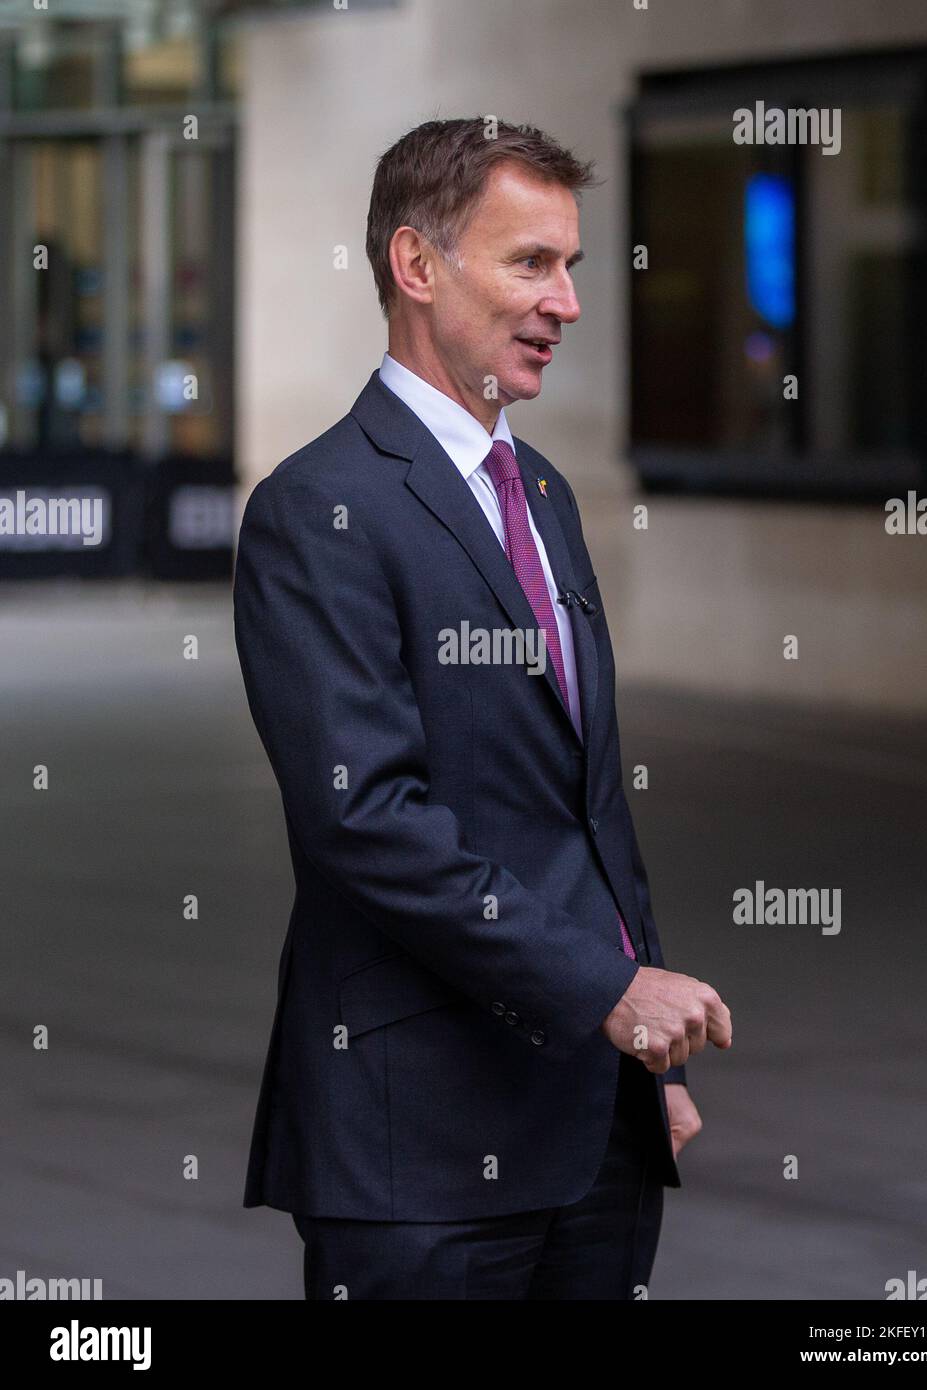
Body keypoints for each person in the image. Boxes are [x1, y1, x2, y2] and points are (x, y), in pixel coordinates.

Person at [233, 116, 731, 1301]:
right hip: (420, 1150)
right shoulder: (320, 510)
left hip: (592, 1125)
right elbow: (368, 821)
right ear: (416, 266)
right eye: (530, 263)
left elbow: (589, 808)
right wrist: (610, 990)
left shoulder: (544, 492)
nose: (565, 301)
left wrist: (648, 1058)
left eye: (570, 266)